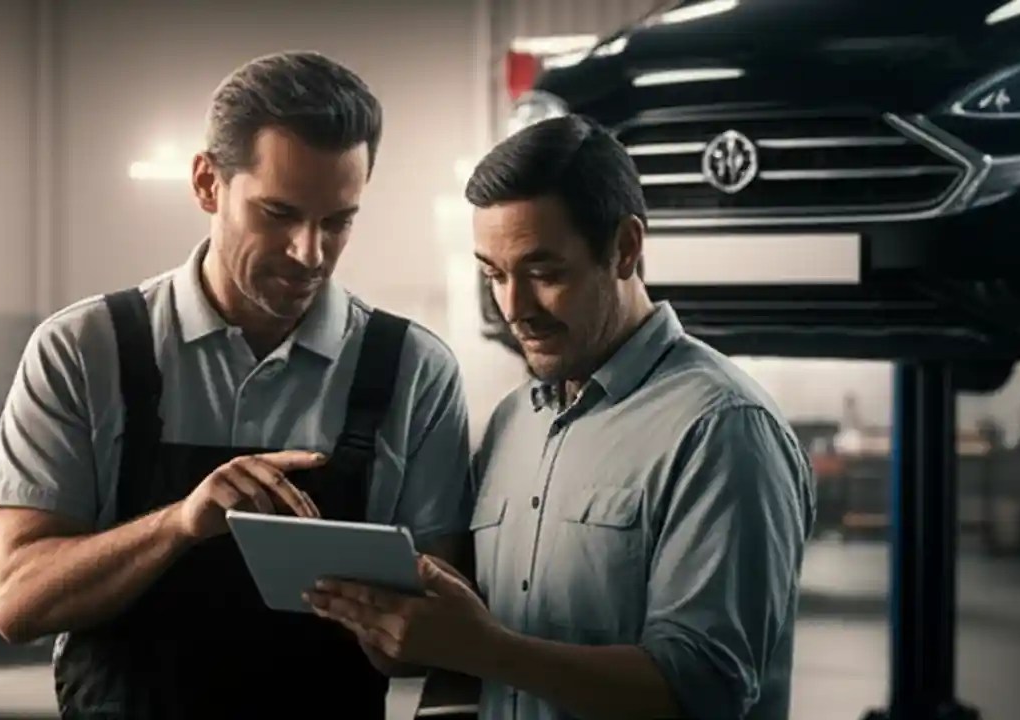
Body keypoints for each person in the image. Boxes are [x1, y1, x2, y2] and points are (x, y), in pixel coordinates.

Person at [0, 51, 473, 719]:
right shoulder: (82, 350)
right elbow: (17, 602)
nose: (310, 253)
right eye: (278, 213)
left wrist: (400, 622)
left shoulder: (414, 370)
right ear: (208, 183)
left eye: (338, 221)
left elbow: (435, 641)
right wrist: (181, 524)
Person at [307, 115, 817, 720]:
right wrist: (395, 629)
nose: (514, 308)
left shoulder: (722, 429)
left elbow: (701, 691)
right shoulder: (512, 424)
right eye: (494, 275)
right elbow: (472, 646)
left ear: (625, 248)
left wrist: (489, 649)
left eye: (545, 274)